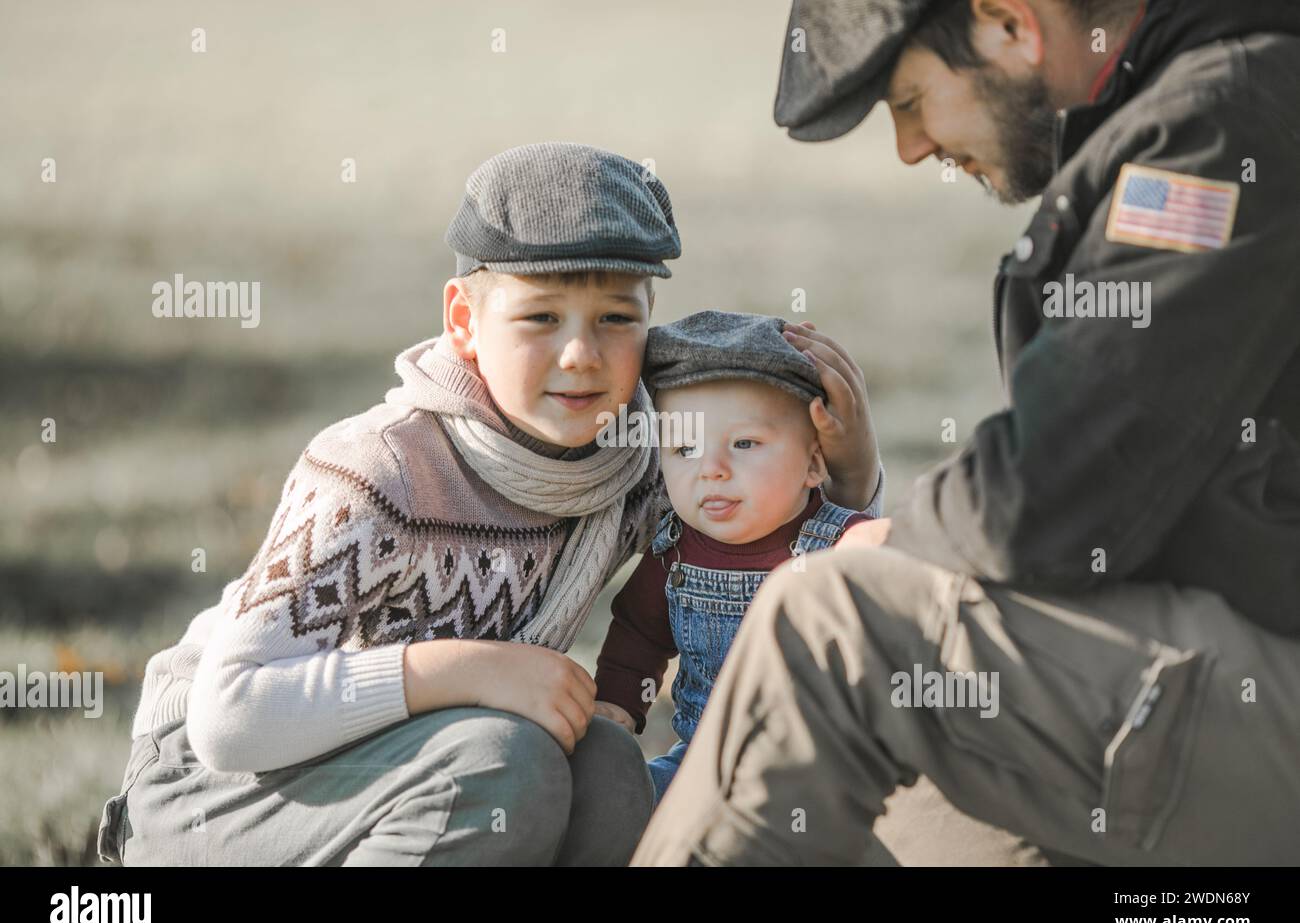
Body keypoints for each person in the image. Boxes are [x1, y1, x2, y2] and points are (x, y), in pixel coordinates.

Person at [632, 0, 1300, 866]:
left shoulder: (1221, 125)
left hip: (1265, 683)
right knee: (914, 812)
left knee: (829, 623)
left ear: (1007, 23)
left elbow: (1051, 490)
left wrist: (895, 540)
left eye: (910, 102)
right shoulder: (1195, 105)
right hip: (1231, 658)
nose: (910, 149)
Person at [94, 142, 881, 866]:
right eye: (541, 317)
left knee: (606, 766)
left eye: (617, 318)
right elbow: (229, 717)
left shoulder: (636, 462)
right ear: (465, 323)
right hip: (223, 791)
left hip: (426, 762)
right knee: (506, 760)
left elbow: (756, 538)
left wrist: (847, 468)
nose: (582, 354)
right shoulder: (379, 468)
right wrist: (466, 670)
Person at [592, 311, 883, 805]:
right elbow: (638, 632)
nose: (713, 470)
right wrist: (617, 702)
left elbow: (882, 565)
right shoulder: (674, 553)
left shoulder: (834, 541)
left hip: (825, 770)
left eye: (744, 444)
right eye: (684, 448)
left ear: (814, 463)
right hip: (706, 765)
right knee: (637, 803)